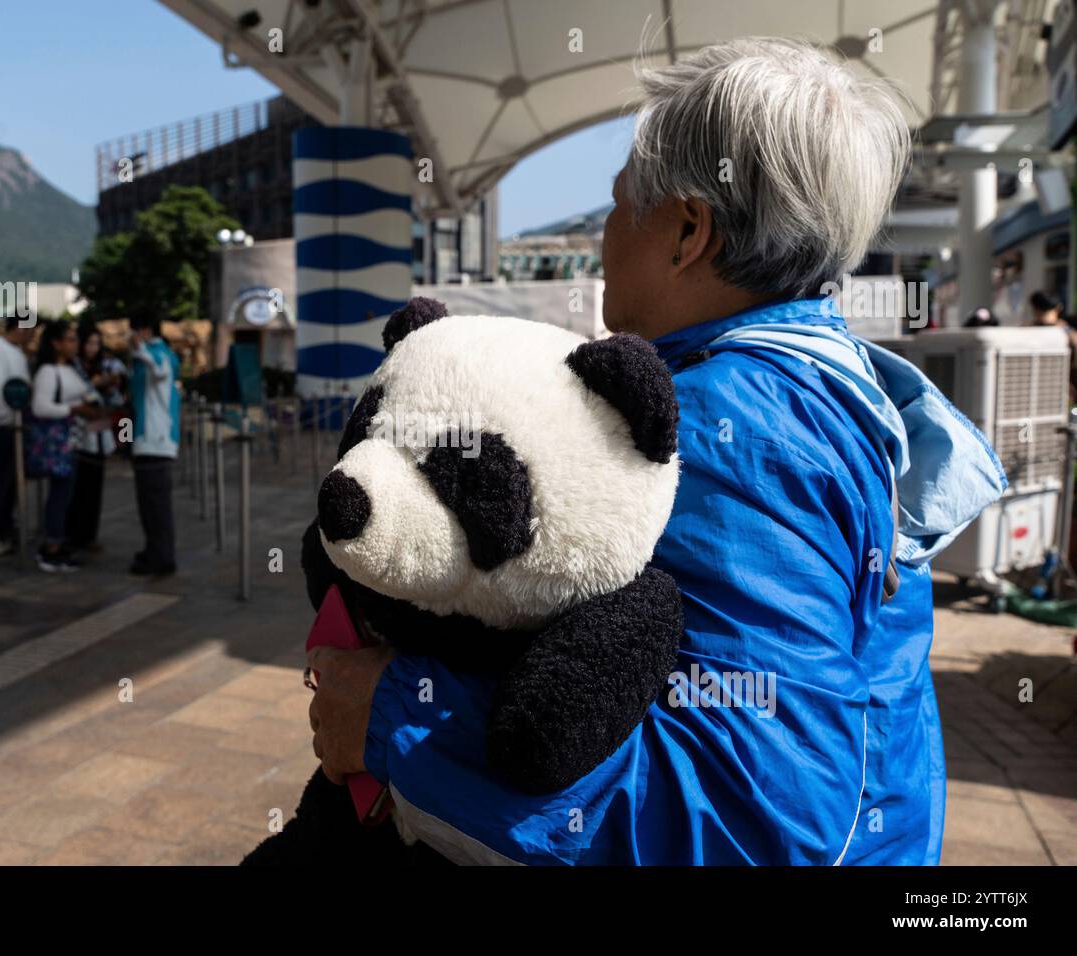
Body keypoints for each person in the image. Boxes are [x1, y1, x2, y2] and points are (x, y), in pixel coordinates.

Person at [302, 38, 1006, 865]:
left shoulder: (719, 429)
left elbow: (757, 821)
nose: (602, 235)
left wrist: (395, 719)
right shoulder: (835, 387)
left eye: (617, 204)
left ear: (685, 230)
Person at [30, 320, 99, 572]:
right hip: (58, 441)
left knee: (66, 494)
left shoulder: (71, 368)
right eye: (69, 339)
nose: (75, 343)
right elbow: (40, 406)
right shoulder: (48, 372)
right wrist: (73, 408)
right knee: (60, 495)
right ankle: (51, 547)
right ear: (55, 344)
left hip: (71, 439)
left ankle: (57, 541)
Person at [65, 323, 126, 552]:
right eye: (89, 343)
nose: (93, 348)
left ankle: (89, 533)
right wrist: (95, 384)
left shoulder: (103, 365)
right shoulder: (73, 366)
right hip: (80, 433)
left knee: (94, 487)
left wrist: (110, 387)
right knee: (78, 488)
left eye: (96, 344)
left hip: (99, 431)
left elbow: (116, 400)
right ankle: (72, 533)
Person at [128, 314, 180, 576]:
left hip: (155, 441)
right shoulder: (159, 353)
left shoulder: (157, 354)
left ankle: (160, 559)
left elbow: (160, 373)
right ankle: (155, 552)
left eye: (133, 332)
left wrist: (142, 351)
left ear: (145, 330)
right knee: (151, 506)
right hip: (151, 441)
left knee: (155, 506)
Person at [0, 316, 33, 556]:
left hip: (15, 424)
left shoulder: (17, 353)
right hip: (2, 425)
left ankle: (6, 526)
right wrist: (9, 414)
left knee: (11, 482)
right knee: (1, 481)